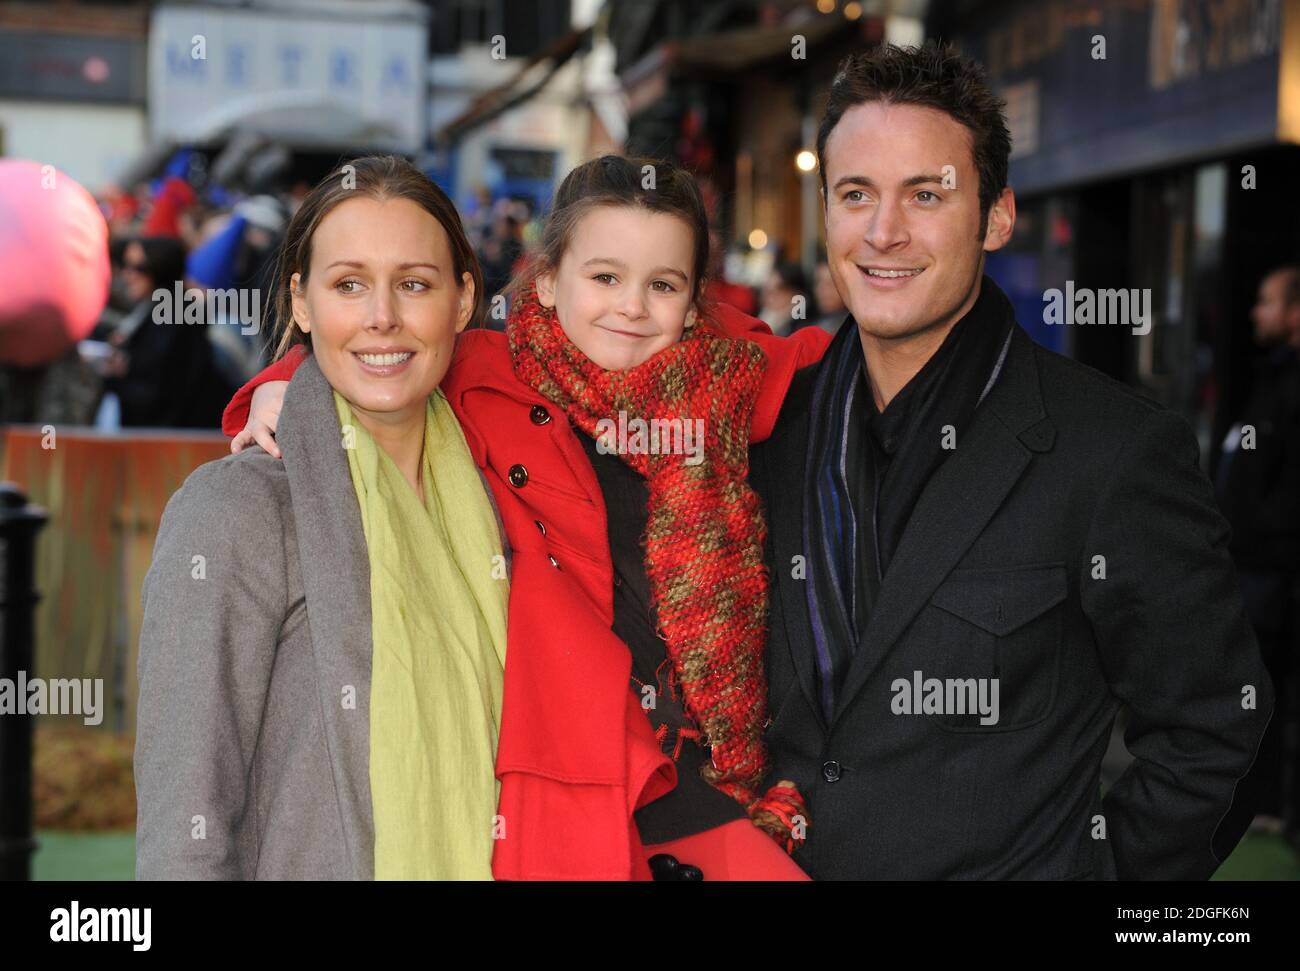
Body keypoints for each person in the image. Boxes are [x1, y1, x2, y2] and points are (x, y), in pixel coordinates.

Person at [224, 155, 830, 880]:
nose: (631, 306)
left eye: (661, 284)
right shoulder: (487, 371)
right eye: (605, 277)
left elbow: (839, 357)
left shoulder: (731, 385)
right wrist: (284, 383)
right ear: (547, 280)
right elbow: (381, 351)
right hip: (569, 774)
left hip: (714, 778)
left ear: (695, 301)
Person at [748, 43, 1272, 879]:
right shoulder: (770, 424)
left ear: (995, 216)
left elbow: (1219, 732)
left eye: (927, 194)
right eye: (857, 194)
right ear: (826, 211)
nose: (884, 231)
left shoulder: (1112, 450)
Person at [135, 156, 509, 879]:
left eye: (414, 284)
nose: (381, 317)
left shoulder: (506, 498)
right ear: (301, 303)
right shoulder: (235, 510)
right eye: (348, 284)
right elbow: (185, 829)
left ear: (462, 301)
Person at [1216, 265, 1300, 839]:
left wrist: (1264, 539)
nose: (1256, 312)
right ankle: (1263, 802)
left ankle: (1274, 806)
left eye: (1267, 302)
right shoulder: (1271, 377)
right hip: (1252, 566)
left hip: (1274, 571)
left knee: (1268, 690)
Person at [759, 261, 810, 337]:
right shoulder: (768, 316)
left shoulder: (803, 325)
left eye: (779, 289)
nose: (770, 297)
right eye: (768, 289)